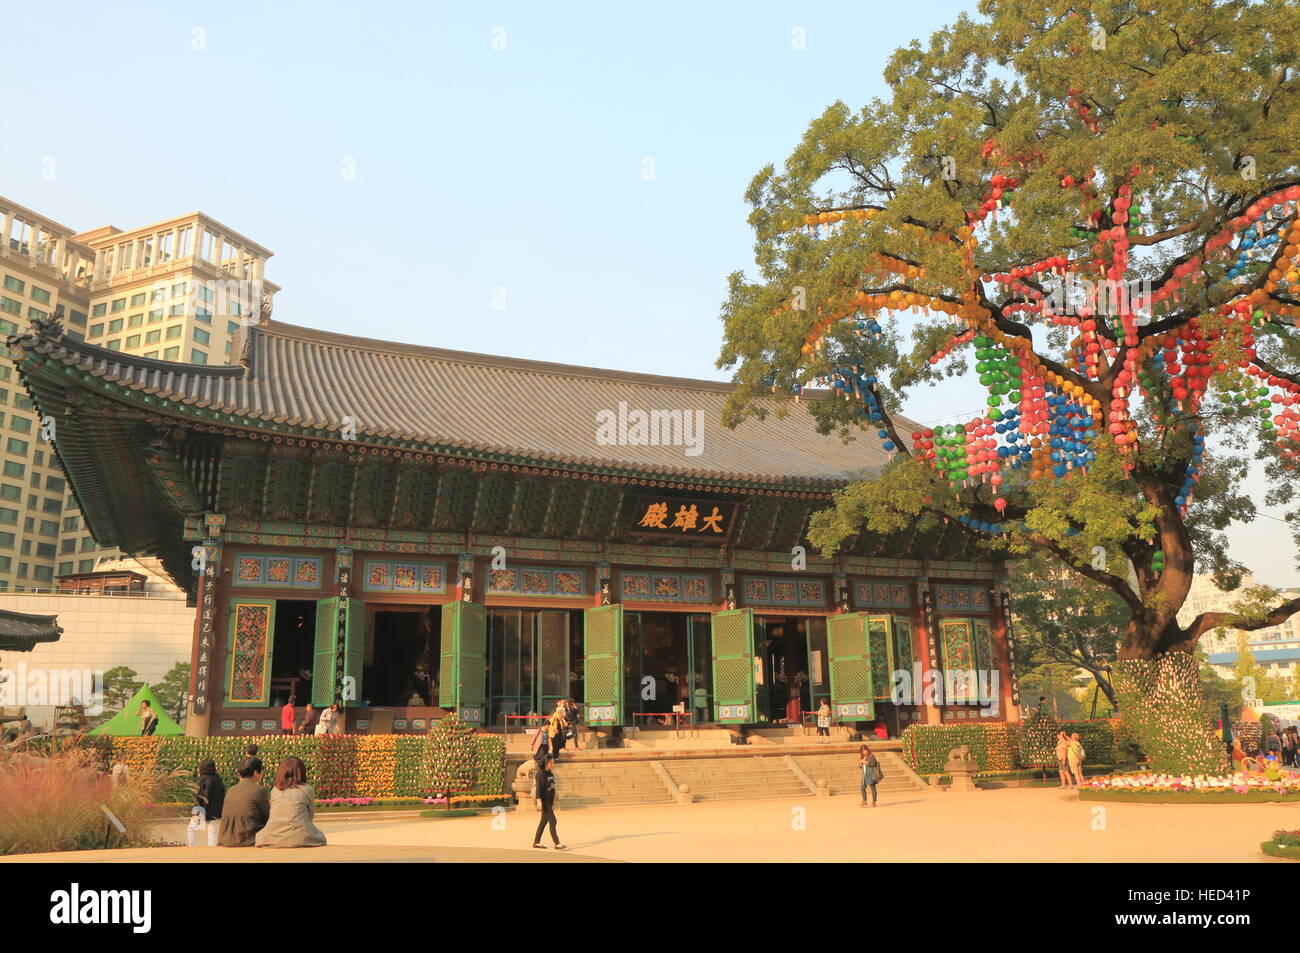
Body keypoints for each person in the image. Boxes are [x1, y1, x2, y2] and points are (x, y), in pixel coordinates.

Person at [255, 756, 327, 848]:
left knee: (260, 835)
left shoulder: (275, 791)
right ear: (301, 772)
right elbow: (310, 816)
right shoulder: (306, 789)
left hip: (272, 837)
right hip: (300, 838)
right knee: (320, 836)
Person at [218, 757, 270, 847]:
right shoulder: (260, 790)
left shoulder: (231, 790)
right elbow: (267, 818)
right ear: (255, 773)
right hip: (248, 840)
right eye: (262, 770)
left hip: (225, 839)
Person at [531, 755, 565, 850]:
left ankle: (536, 842)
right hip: (544, 801)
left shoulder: (550, 773)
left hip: (549, 801)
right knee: (553, 821)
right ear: (546, 762)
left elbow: (552, 787)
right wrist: (539, 801)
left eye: (552, 763)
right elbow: (539, 788)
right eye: (550, 762)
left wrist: (554, 799)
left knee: (543, 822)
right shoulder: (540, 774)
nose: (551, 764)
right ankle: (557, 843)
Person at [192, 758, 225, 847]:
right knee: (212, 831)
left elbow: (198, 796)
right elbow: (222, 794)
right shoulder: (218, 779)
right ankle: (212, 849)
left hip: (201, 809)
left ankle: (193, 847)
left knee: (192, 830)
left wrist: (196, 811)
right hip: (215, 810)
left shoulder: (202, 779)